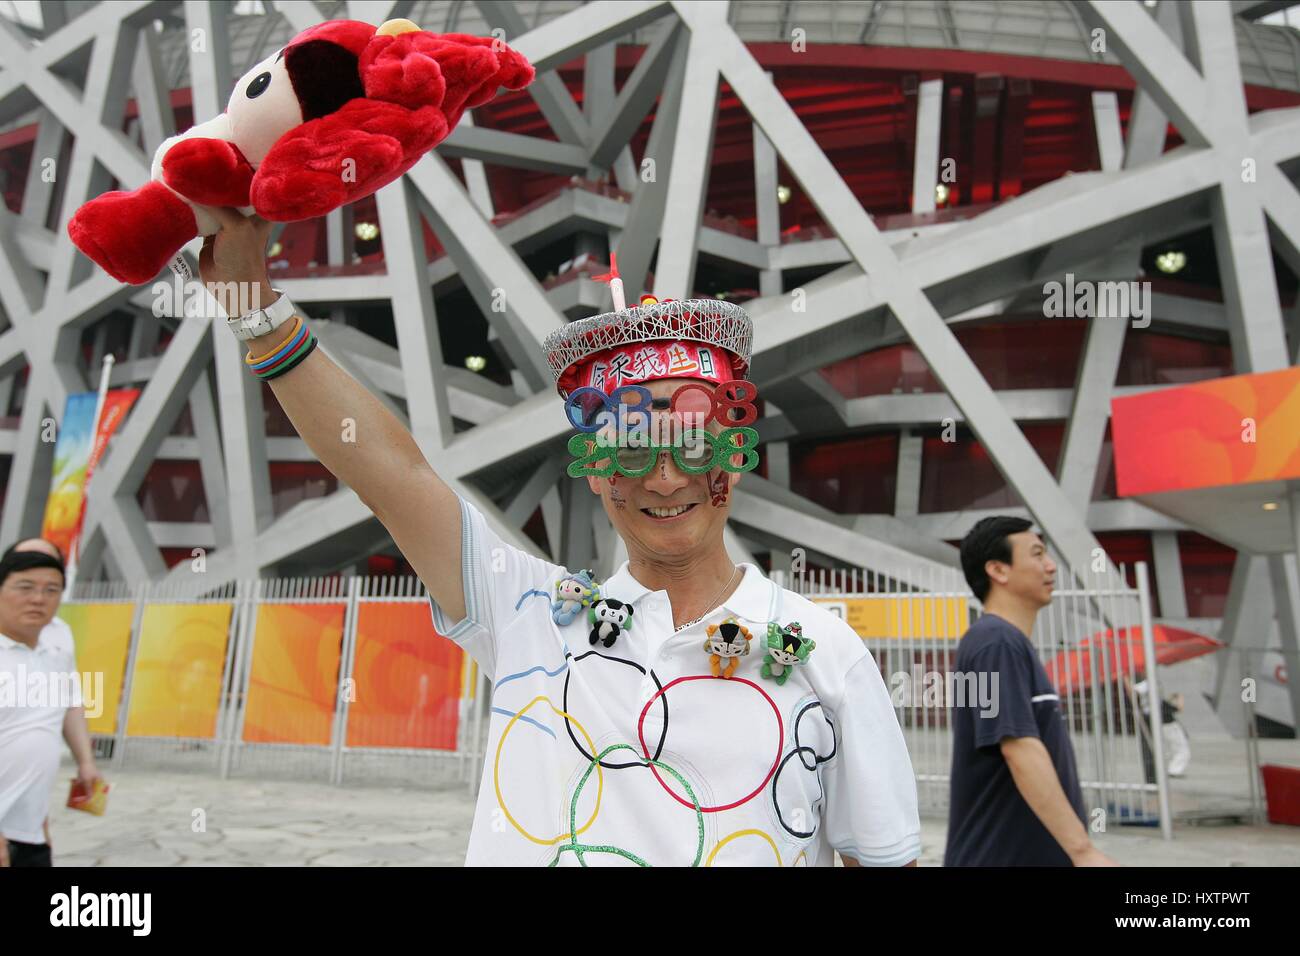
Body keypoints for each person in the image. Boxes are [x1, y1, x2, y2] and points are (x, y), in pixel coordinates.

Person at [199, 209, 921, 866]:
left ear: (733, 453)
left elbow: (880, 861)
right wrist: (251, 307)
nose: (665, 481)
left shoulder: (822, 651)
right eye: (631, 451)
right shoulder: (534, 619)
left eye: (692, 445)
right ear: (597, 474)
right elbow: (392, 474)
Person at [944, 516, 1116, 866]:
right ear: (998, 570)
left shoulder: (1001, 642)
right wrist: (1083, 851)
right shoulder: (995, 642)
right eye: (1037, 554)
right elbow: (1019, 749)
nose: (1050, 566)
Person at [0, 540, 103, 867]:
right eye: (25, 586)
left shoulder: (58, 636)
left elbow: (70, 699)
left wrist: (85, 761)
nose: (37, 598)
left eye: (51, 588)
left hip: (29, 830)